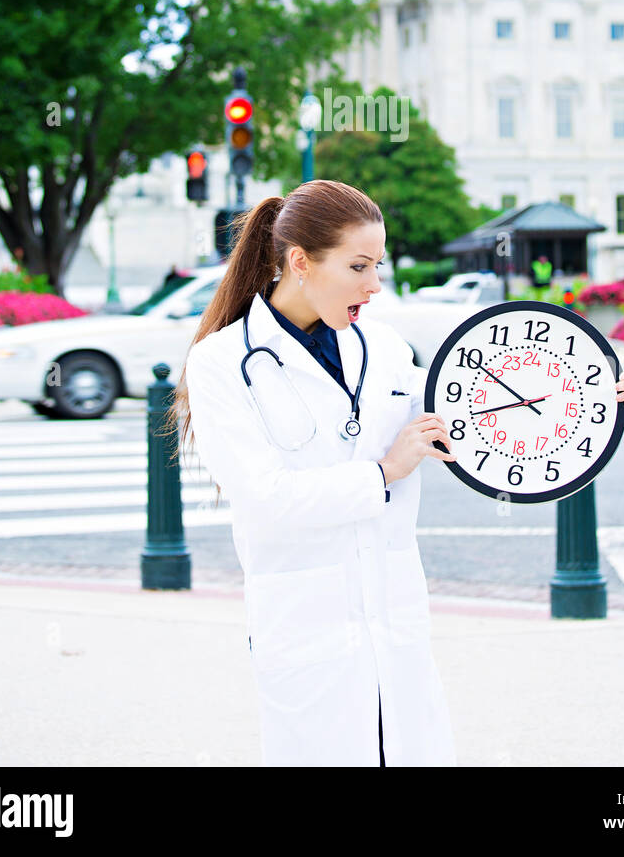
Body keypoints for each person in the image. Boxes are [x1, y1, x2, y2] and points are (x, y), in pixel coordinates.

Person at [169, 179, 459, 767]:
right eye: (358, 266)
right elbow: (265, 498)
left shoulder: (384, 349)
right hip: (305, 625)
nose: (374, 285)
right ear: (299, 262)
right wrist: (381, 475)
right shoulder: (222, 363)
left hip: (395, 612)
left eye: (377, 265)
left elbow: (472, 418)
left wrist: (591, 403)